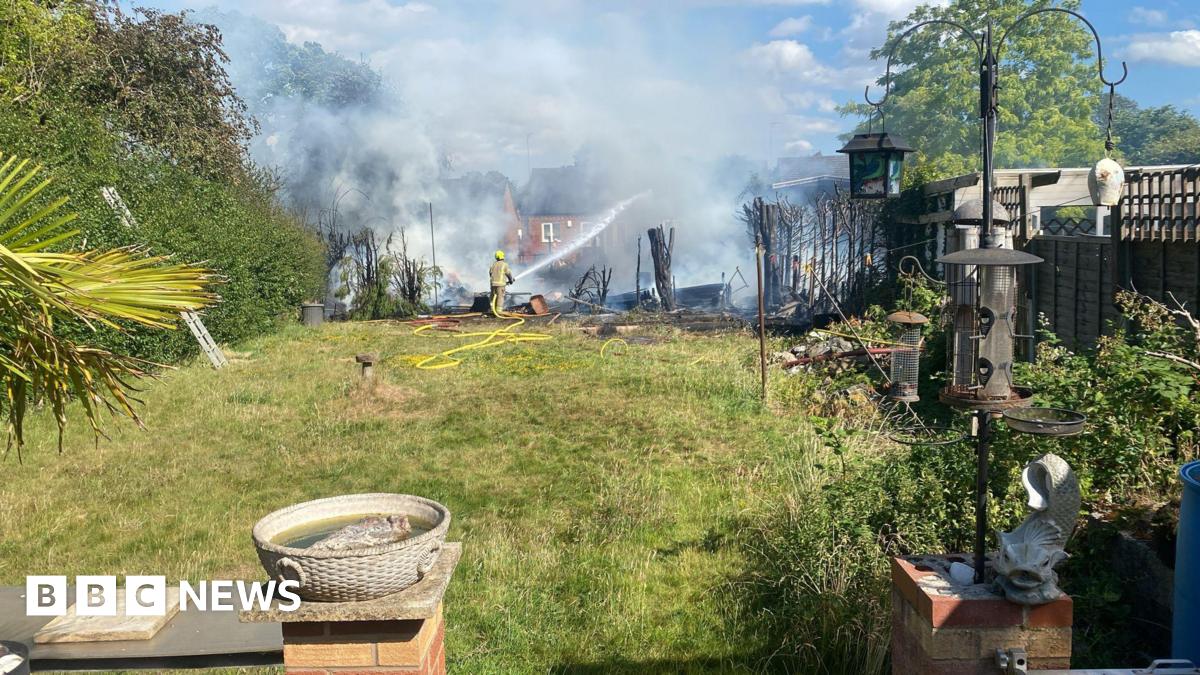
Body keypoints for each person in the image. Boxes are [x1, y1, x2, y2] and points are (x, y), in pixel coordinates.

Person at [489, 250, 514, 315]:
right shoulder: (504, 265)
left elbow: (490, 274)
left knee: (493, 297)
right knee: (500, 297)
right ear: (502, 256)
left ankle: (492, 310)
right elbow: (508, 273)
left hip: (493, 284)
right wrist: (511, 280)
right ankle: (498, 312)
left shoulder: (493, 265)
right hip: (501, 285)